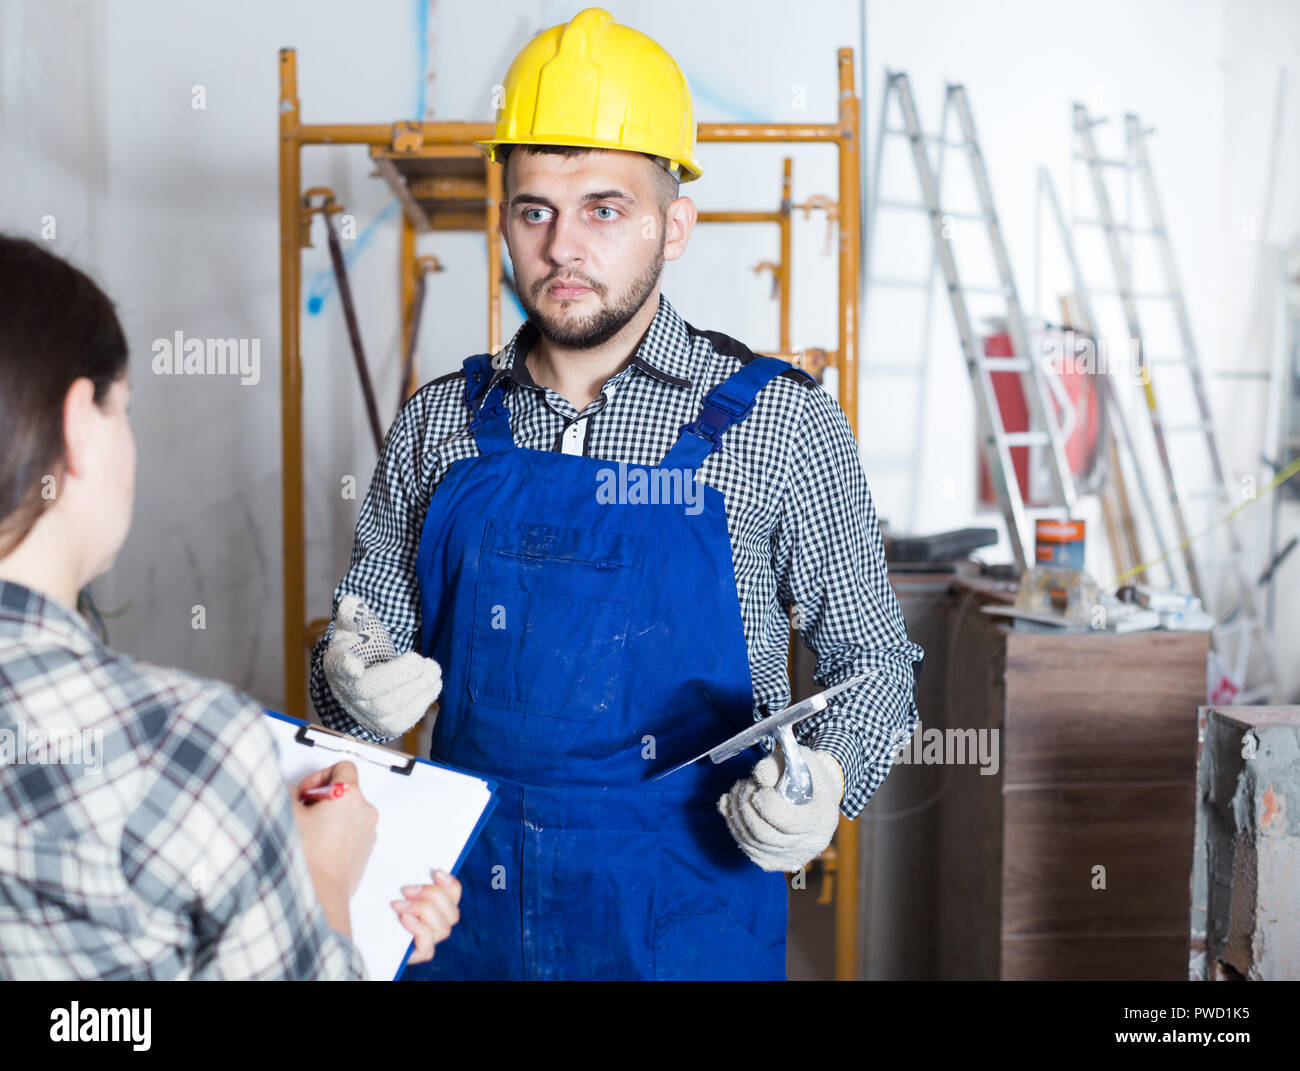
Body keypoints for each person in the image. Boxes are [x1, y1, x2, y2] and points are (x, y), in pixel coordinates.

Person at [310, 7, 923, 980]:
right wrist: (345, 682)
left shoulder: (781, 424)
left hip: (685, 907)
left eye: (605, 209)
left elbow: (878, 666)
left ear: (673, 224)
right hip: (461, 903)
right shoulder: (438, 423)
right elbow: (354, 675)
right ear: (503, 216)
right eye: (534, 210)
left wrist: (832, 779)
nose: (562, 248)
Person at [0, 234, 460, 979]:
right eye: (125, 409)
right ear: (81, 425)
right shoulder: (188, 745)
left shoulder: (196, 768)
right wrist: (326, 881)